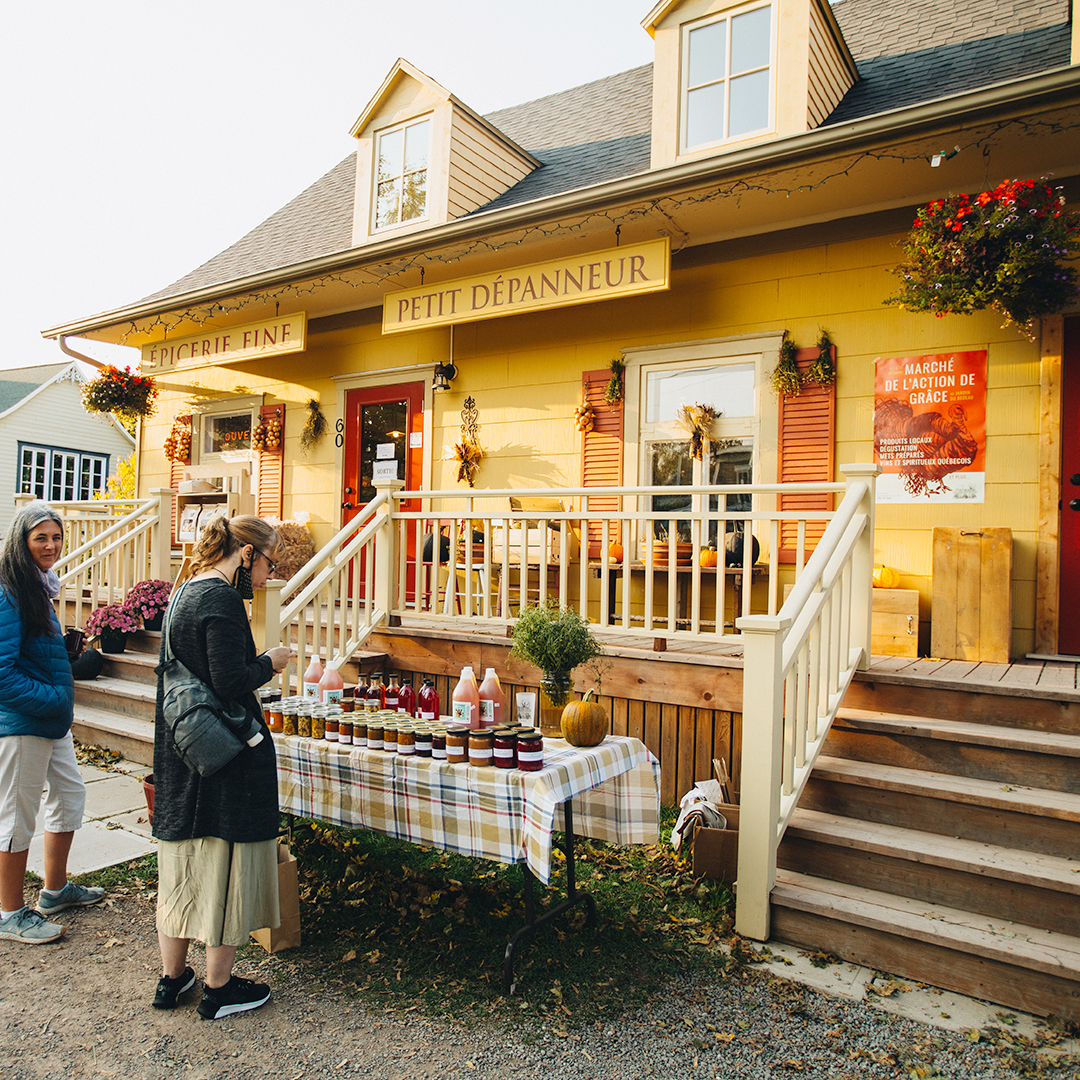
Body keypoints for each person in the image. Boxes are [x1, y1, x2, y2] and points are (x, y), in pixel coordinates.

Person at [152, 513, 294, 1019]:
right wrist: (271, 662)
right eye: (267, 564)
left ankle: (172, 981)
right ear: (247, 553)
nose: (266, 577)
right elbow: (231, 681)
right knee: (225, 863)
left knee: (184, 863)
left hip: (182, 746)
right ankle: (218, 987)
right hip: (222, 753)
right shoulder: (222, 599)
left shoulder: (184, 591)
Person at [0, 501, 105, 944]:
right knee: (17, 818)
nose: (51, 545)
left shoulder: (38, 585)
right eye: (41, 537)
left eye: (57, 536)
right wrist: (54, 697)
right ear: (22, 541)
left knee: (70, 794)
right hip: (24, 722)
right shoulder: (9, 590)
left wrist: (62, 654)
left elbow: (30, 653)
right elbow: (2, 673)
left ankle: (55, 890)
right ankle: (9, 913)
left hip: (49, 719)